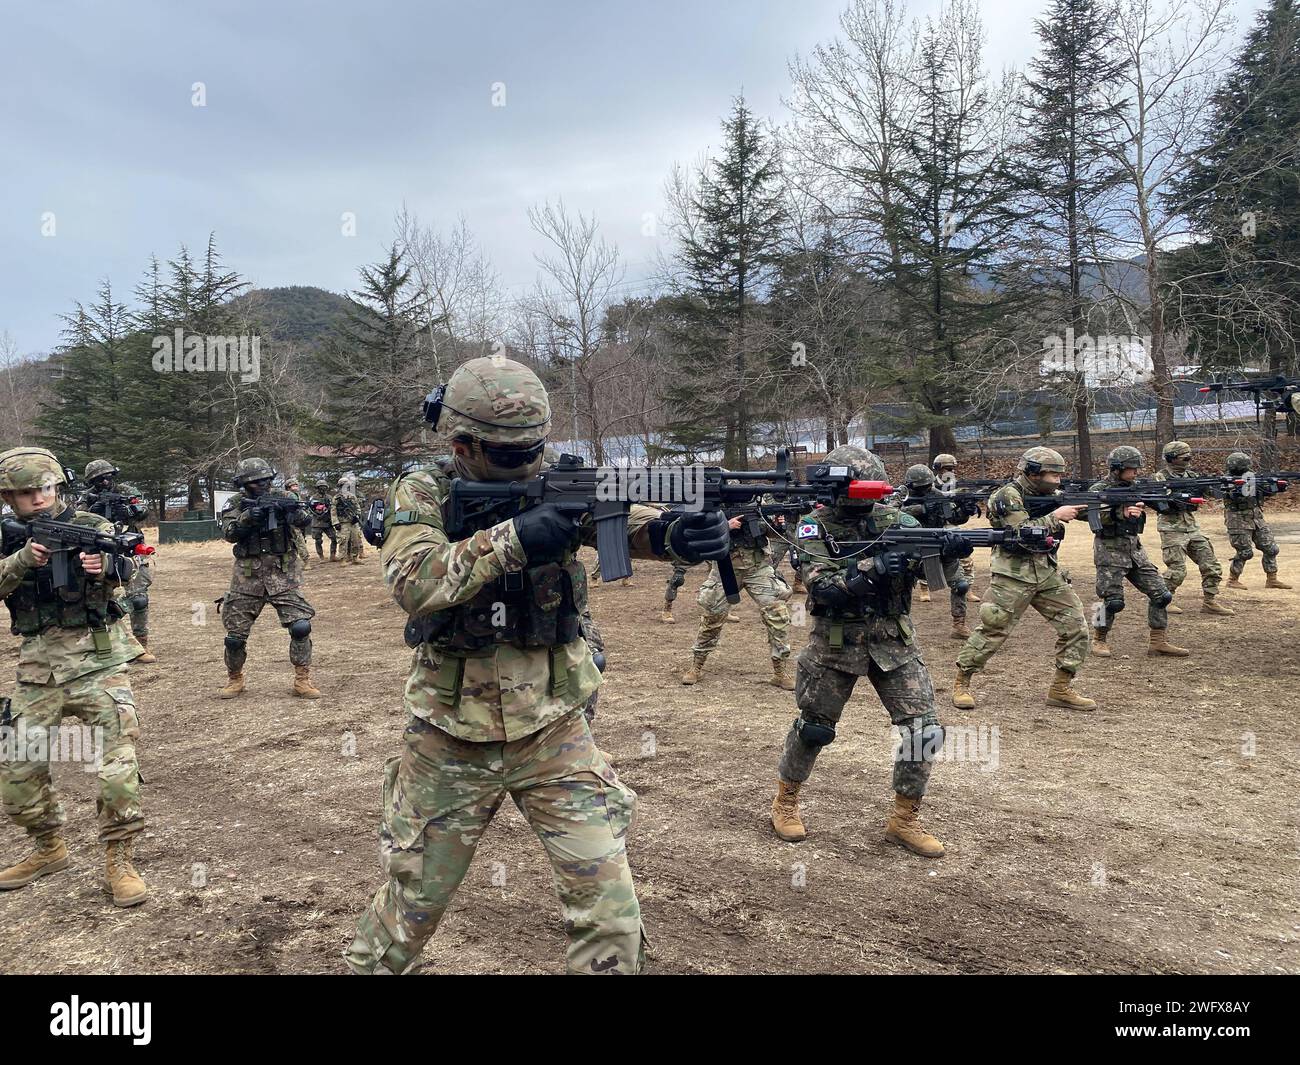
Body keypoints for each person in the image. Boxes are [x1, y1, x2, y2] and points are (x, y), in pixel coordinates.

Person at [344, 356, 729, 975]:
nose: (529, 464)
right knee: (408, 911)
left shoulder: (556, 481)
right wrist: (515, 539)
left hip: (555, 731)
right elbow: (413, 580)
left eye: (536, 450)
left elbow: (620, 521)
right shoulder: (421, 491)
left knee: (611, 915)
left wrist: (674, 539)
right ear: (462, 444)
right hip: (451, 736)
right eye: (510, 455)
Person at [770, 445, 965, 855]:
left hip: (894, 641)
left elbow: (937, 580)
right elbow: (821, 587)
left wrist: (948, 554)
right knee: (815, 728)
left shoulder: (901, 522)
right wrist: (871, 569)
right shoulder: (812, 527)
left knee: (924, 731)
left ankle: (904, 818)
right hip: (835, 642)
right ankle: (785, 801)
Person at [0, 446, 148, 906]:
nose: (37, 499)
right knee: (16, 769)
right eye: (25, 494)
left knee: (117, 768)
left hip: (98, 661)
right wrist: (24, 559)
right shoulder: (8, 537)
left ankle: (119, 859)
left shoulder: (92, 526)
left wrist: (107, 567)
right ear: (9, 499)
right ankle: (49, 849)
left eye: (43, 489)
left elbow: (131, 569)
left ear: (57, 485)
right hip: (38, 668)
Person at [952, 447, 1093, 711]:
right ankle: (962, 681)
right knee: (994, 628)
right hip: (1012, 575)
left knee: (1076, 627)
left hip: (1047, 571)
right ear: (1033, 473)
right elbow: (1020, 531)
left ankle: (1060, 688)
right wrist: (1055, 517)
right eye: (1053, 475)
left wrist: (1119, 508)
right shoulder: (1006, 496)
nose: (1058, 481)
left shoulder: (1047, 494)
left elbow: (1083, 507)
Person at [217, 458, 319, 699]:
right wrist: (248, 518)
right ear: (243, 484)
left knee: (301, 626)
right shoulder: (236, 503)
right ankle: (235, 678)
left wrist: (291, 512)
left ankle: (302, 679)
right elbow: (229, 534)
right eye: (255, 482)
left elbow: (307, 520)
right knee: (234, 636)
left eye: (265, 480)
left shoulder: (285, 496)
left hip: (283, 573)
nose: (262, 485)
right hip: (247, 575)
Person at [679, 497, 795, 690]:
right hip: (725, 568)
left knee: (778, 614)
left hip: (757, 568)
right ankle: (696, 666)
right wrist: (724, 525)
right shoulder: (709, 508)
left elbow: (771, 535)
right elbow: (691, 533)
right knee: (712, 618)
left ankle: (780, 672)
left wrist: (775, 525)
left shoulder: (757, 506)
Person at [1088, 446, 1188, 659]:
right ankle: (1098, 638)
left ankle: (1158, 642)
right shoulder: (1099, 488)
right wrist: (1118, 512)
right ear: (1117, 468)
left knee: (1162, 595)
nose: (1136, 472)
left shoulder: (1137, 487)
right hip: (1109, 552)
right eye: (1131, 468)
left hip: (1135, 551)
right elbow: (1086, 513)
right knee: (1110, 601)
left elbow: (1161, 505)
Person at [79, 459, 156, 663]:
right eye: (98, 479)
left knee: (139, 598)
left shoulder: (126, 491)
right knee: (101, 601)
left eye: (107, 477)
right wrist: (92, 512)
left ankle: (140, 646)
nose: (104, 482)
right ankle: (107, 645)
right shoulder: (87, 498)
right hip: (102, 552)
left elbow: (143, 509)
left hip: (130, 548)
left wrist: (131, 511)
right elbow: (77, 519)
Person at [1151, 441, 1233, 616]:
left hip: (1191, 526)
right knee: (1177, 570)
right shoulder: (1160, 477)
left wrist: (1226, 485)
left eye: (1189, 456)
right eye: (1184, 457)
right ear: (1172, 458)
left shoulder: (1193, 476)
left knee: (1211, 565)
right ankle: (1163, 600)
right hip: (1171, 528)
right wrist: (1180, 496)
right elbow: (1161, 499)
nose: (1188, 460)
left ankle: (1210, 602)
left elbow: (1215, 493)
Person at [897, 464, 972, 640]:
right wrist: (920, 509)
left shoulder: (937, 496)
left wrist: (963, 510)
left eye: (927, 486)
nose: (925, 490)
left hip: (937, 544)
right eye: (921, 487)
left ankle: (959, 625)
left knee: (961, 585)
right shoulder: (901, 495)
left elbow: (953, 517)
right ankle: (896, 623)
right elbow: (889, 512)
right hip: (907, 547)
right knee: (897, 586)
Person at [1223, 452, 1291, 590]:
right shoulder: (1226, 481)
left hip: (1256, 518)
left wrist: (1276, 487)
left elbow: (1264, 491)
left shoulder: (1252, 477)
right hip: (1238, 520)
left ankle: (1272, 579)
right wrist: (1243, 486)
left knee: (1271, 548)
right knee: (1245, 552)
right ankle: (1232, 579)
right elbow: (1234, 495)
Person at [931, 453, 979, 602]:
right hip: (933, 527)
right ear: (938, 469)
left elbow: (958, 518)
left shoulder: (958, 487)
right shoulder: (929, 486)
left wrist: (965, 510)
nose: (949, 471)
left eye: (952, 468)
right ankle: (924, 588)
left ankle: (968, 589)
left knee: (965, 559)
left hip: (952, 527)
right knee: (928, 558)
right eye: (946, 468)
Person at [308, 479, 338, 562]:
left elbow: (333, 508)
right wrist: (318, 512)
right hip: (317, 522)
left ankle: (333, 555)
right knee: (318, 540)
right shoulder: (313, 497)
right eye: (320, 487)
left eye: (324, 487)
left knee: (334, 538)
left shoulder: (329, 497)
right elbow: (310, 508)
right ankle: (321, 556)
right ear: (317, 488)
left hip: (328, 522)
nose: (322, 489)